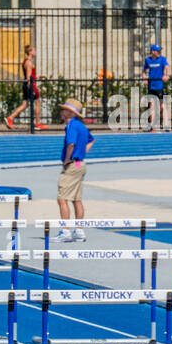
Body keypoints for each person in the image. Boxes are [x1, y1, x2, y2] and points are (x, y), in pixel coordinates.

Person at [56, 98, 94, 243]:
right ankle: (79, 230)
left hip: (72, 164)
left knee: (62, 198)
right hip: (80, 164)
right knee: (77, 199)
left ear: (69, 113)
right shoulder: (81, 126)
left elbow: (70, 143)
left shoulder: (71, 125)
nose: (61, 112)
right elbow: (91, 140)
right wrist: (82, 152)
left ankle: (65, 231)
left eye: (64, 110)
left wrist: (67, 159)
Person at [5, 44, 45, 130]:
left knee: (25, 105)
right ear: (30, 52)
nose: (35, 52)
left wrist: (37, 77)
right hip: (30, 85)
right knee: (37, 103)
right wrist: (31, 89)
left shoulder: (27, 62)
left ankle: (10, 118)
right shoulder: (29, 62)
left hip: (28, 84)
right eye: (34, 50)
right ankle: (37, 123)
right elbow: (28, 77)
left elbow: (31, 75)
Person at [141, 43, 170, 132]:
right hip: (151, 86)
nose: (159, 52)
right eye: (157, 51)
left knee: (162, 106)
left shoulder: (162, 59)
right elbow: (144, 70)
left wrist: (166, 75)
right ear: (153, 51)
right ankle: (152, 126)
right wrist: (144, 78)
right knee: (152, 106)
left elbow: (167, 67)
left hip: (159, 86)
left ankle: (166, 125)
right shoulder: (148, 60)